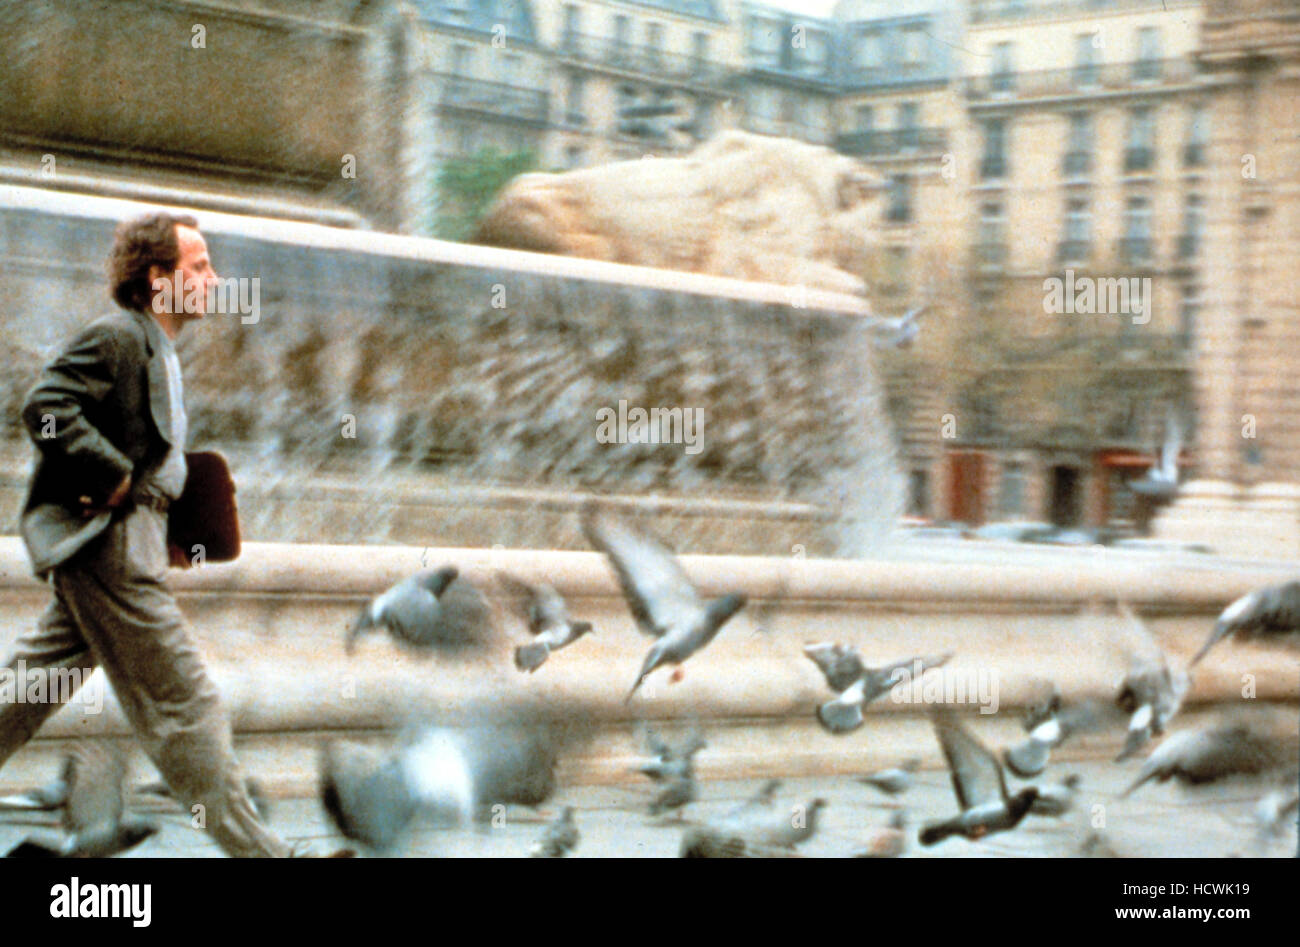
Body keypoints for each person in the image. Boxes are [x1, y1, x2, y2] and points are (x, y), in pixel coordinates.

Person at [0, 212, 291, 857]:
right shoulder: (119, 338)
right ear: (158, 279)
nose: (215, 279)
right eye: (199, 266)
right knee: (188, 705)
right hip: (114, 551)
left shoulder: (156, 347)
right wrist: (111, 475)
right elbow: (42, 408)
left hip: (120, 547)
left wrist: (169, 519)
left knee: (24, 692)